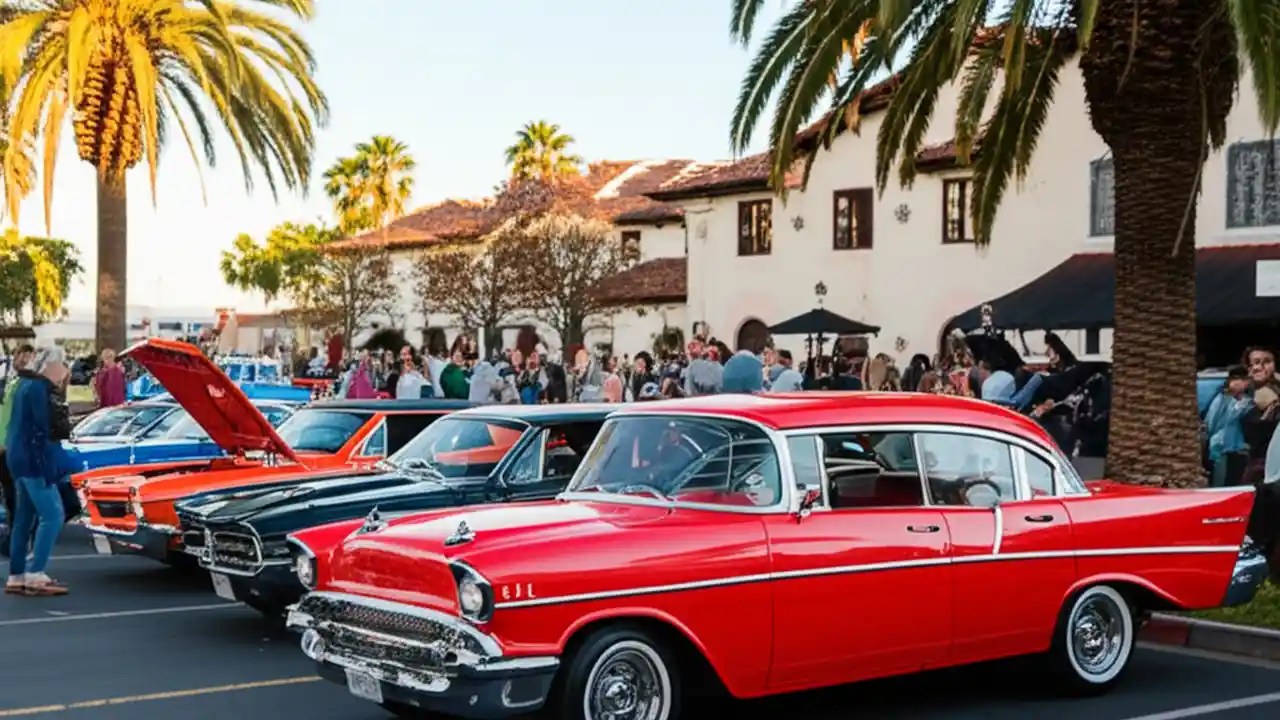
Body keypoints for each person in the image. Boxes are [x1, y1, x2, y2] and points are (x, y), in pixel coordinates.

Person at [5, 348, 76, 596]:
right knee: (53, 514)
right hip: (35, 460)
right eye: (64, 366)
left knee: (24, 518)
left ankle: (17, 575)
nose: (66, 372)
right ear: (52, 366)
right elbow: (45, 428)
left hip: (17, 457)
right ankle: (36, 573)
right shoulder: (40, 388)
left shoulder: (22, 384)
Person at [0, 344, 35, 556]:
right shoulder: (10, 381)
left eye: (28, 357)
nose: (23, 360)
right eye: (21, 356)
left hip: (12, 449)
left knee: (14, 495)